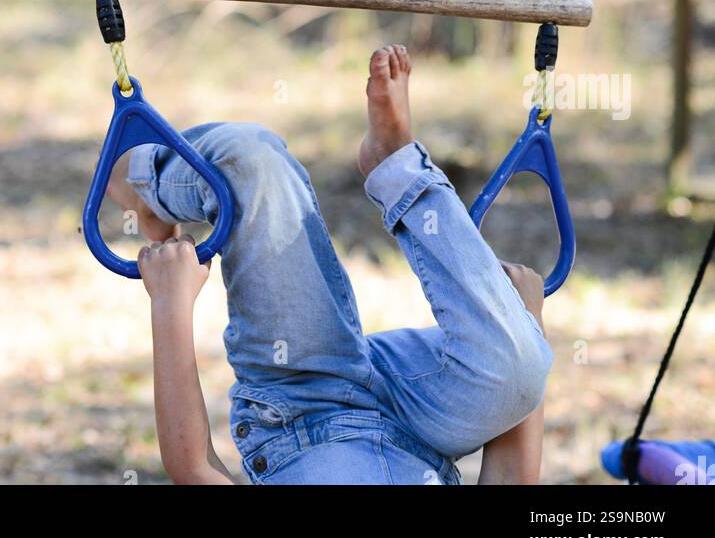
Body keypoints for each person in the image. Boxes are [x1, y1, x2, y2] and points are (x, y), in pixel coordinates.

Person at [108, 44, 552, 485]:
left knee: (252, 161)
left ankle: (142, 178)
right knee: (517, 371)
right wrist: (525, 322)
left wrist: (170, 304)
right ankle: (396, 163)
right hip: (426, 411)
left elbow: (194, 467)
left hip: (302, 395)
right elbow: (512, 474)